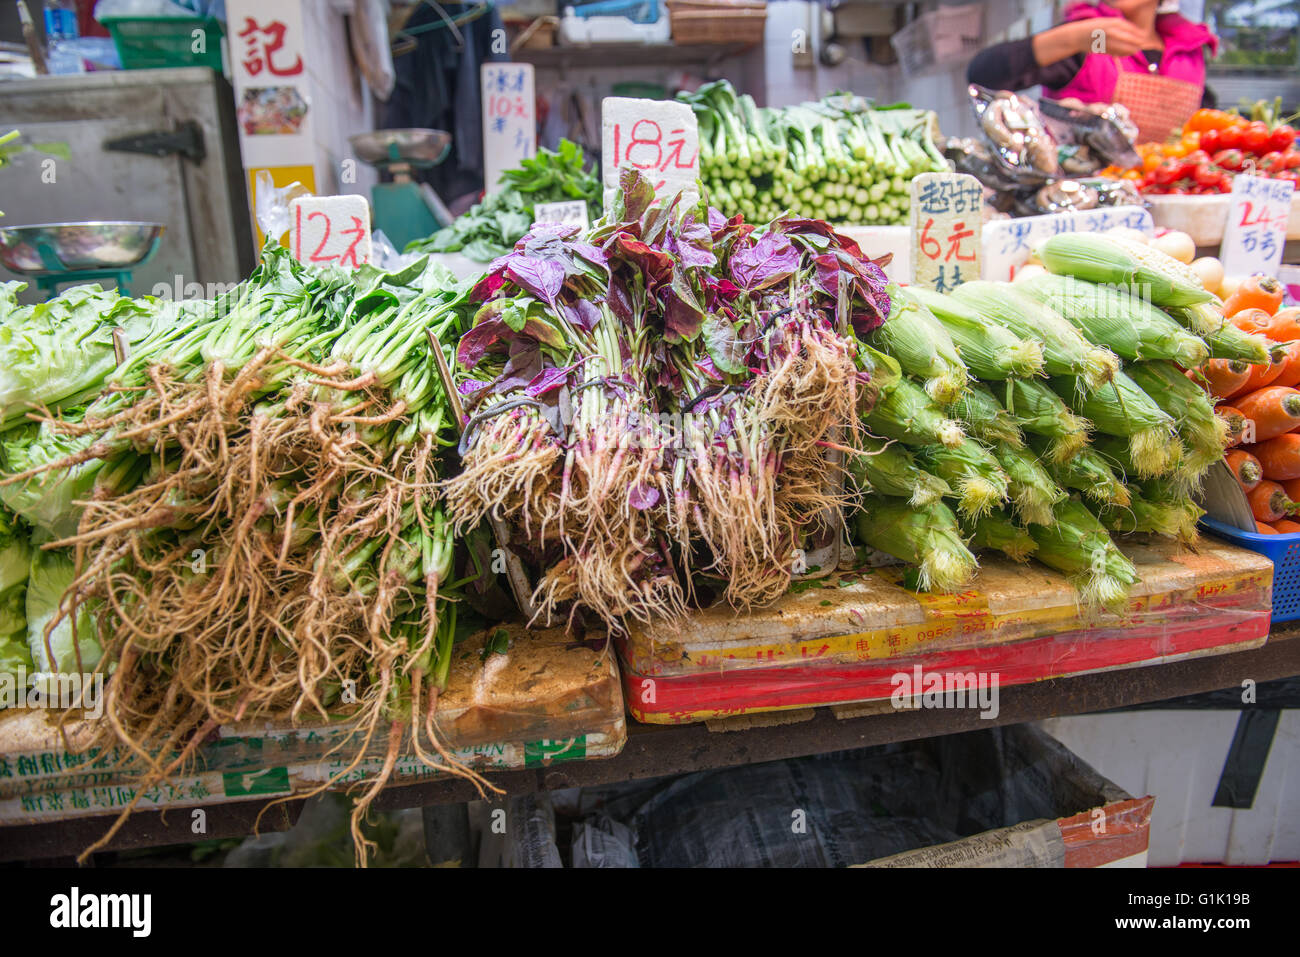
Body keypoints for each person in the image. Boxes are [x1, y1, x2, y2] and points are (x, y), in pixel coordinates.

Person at [967, 1, 1218, 142]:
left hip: (1170, 196)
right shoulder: (1093, 37)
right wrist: (1074, 38)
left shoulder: (1189, 49)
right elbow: (984, 75)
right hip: (1082, 199)